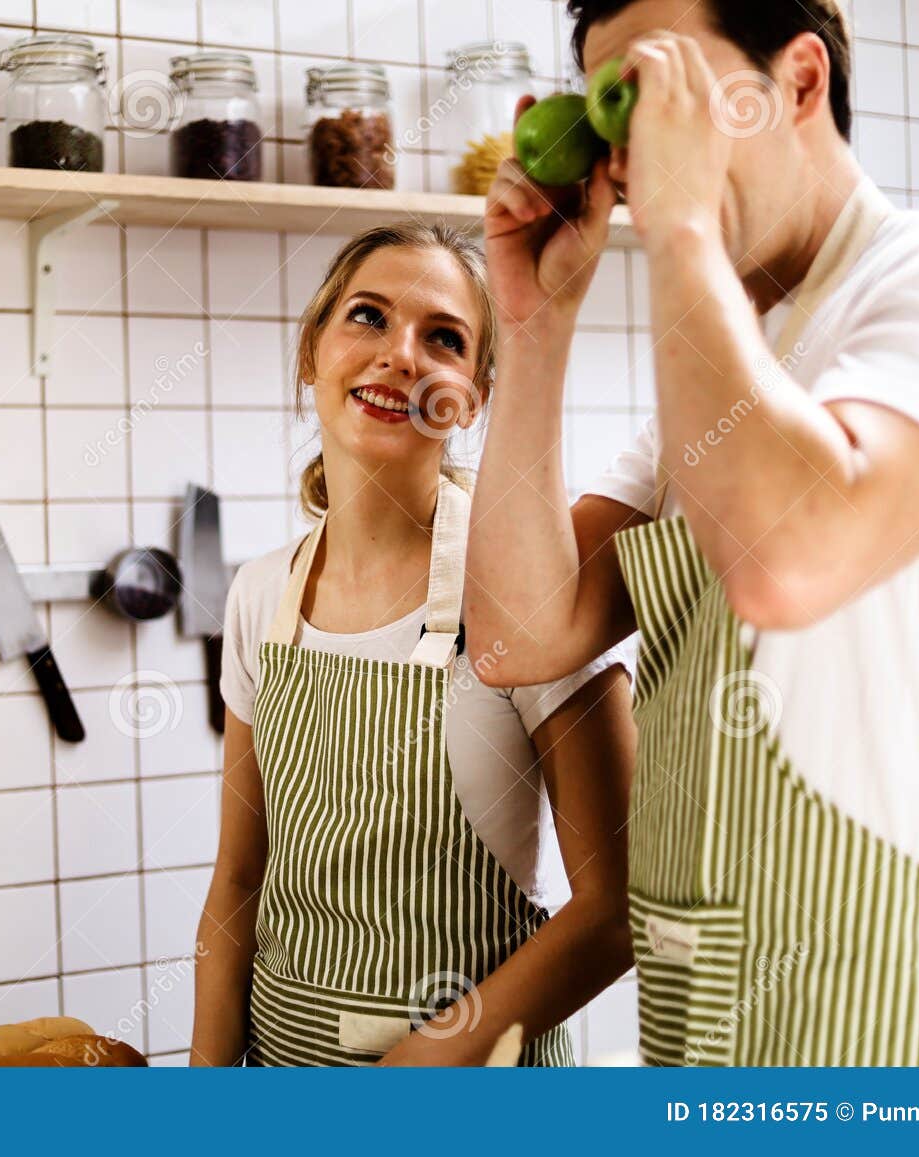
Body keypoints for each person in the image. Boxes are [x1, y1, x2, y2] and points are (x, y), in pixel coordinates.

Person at [466, 0, 919, 1066]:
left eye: (666, 91)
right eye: (620, 110)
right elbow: (522, 634)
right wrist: (532, 327)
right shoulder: (722, 380)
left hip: (901, 1039)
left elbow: (789, 558)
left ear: (798, 83)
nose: (630, 148)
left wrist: (681, 224)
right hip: (704, 1027)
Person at [190, 222, 637, 1066]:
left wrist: (413, 1076)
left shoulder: (526, 597)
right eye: (367, 317)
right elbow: (239, 882)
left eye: (443, 337)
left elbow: (618, 908)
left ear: (472, 394)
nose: (402, 355)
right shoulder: (261, 596)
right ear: (310, 355)